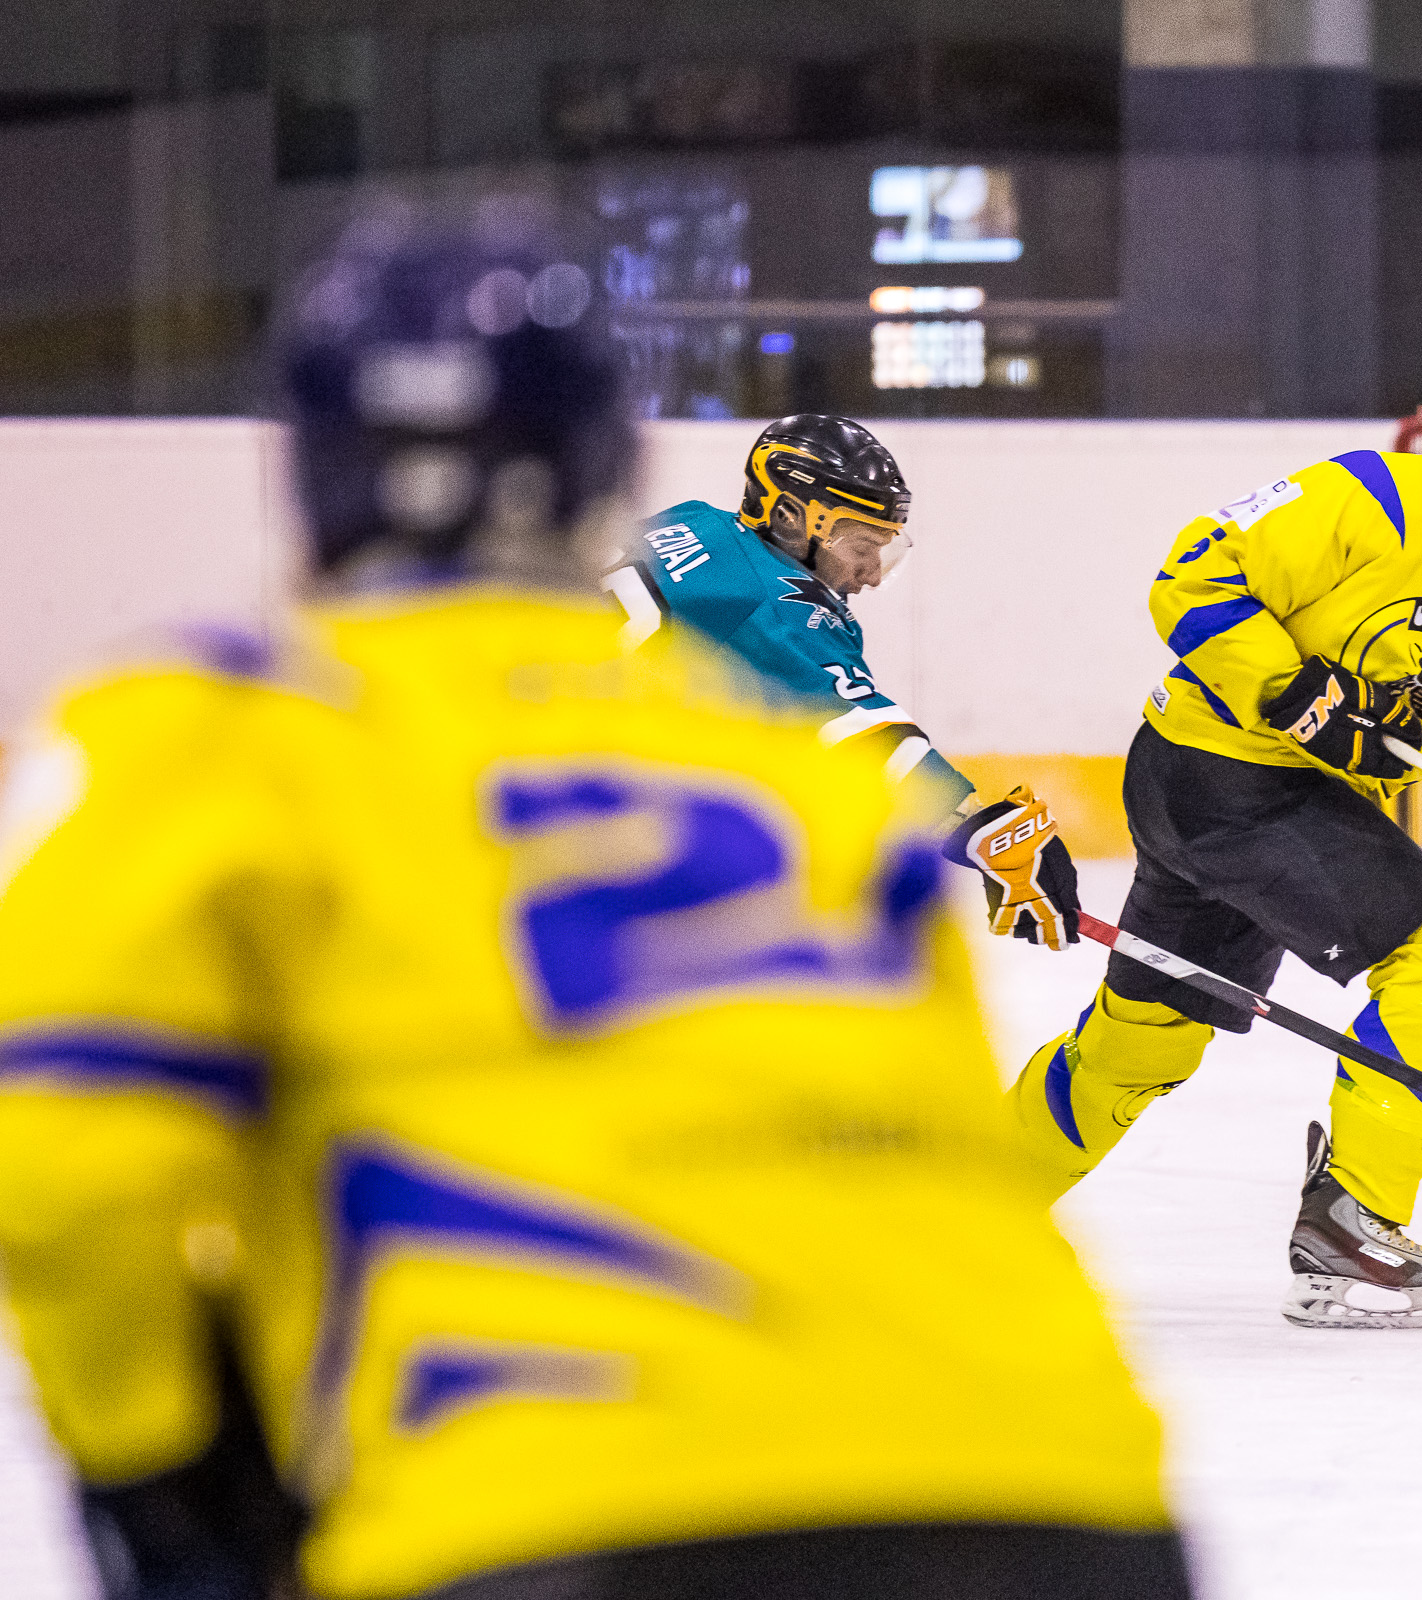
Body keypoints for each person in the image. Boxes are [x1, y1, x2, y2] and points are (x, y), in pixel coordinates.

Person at [0, 215, 1186, 1600]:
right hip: (1061, 1493)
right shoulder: (808, 792)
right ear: (603, 466)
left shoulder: (202, 729)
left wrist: (166, 1483)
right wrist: (983, 824)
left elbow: (66, 1173)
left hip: (560, 1516)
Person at [1005, 370, 1422, 1332]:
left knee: (1141, 1041)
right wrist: (1299, 697)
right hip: (1216, 772)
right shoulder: (1372, 497)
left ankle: (966, 1198)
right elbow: (1195, 572)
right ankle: (1353, 1226)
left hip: (1277, 804)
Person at [604, 416, 1082, 954]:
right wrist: (984, 829)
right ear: (788, 517)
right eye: (860, 547)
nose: (873, 573)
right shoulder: (777, 605)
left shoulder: (694, 522)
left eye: (885, 547)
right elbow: (863, 733)